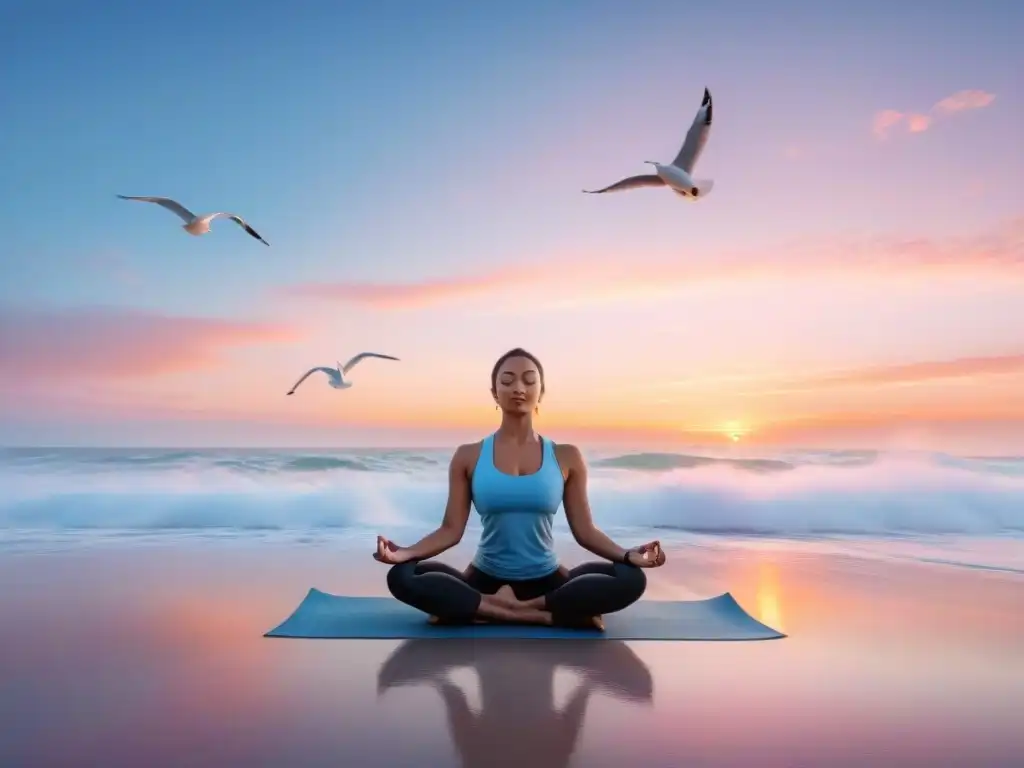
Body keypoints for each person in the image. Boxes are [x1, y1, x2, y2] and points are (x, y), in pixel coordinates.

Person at [374, 347, 667, 629]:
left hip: (548, 580)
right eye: (507, 380)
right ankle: (535, 616)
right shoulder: (469, 455)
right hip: (483, 580)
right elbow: (451, 530)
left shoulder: (566, 456)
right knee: (402, 575)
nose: (518, 388)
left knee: (631, 578)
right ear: (494, 393)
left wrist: (628, 555)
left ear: (541, 390)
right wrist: (404, 553)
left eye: (529, 380)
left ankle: (487, 610)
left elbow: (585, 532)